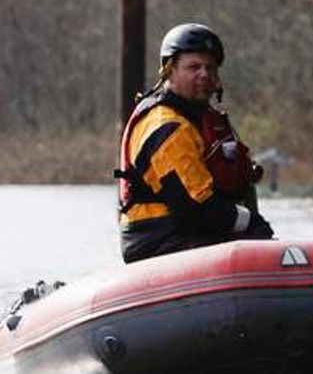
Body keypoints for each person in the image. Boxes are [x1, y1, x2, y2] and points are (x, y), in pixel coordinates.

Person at [116, 23, 276, 263]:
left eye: (210, 68)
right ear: (170, 71)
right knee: (257, 236)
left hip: (193, 233)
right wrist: (249, 221)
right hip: (158, 240)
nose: (204, 74)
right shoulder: (164, 127)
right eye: (194, 67)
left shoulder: (200, 120)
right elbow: (194, 207)